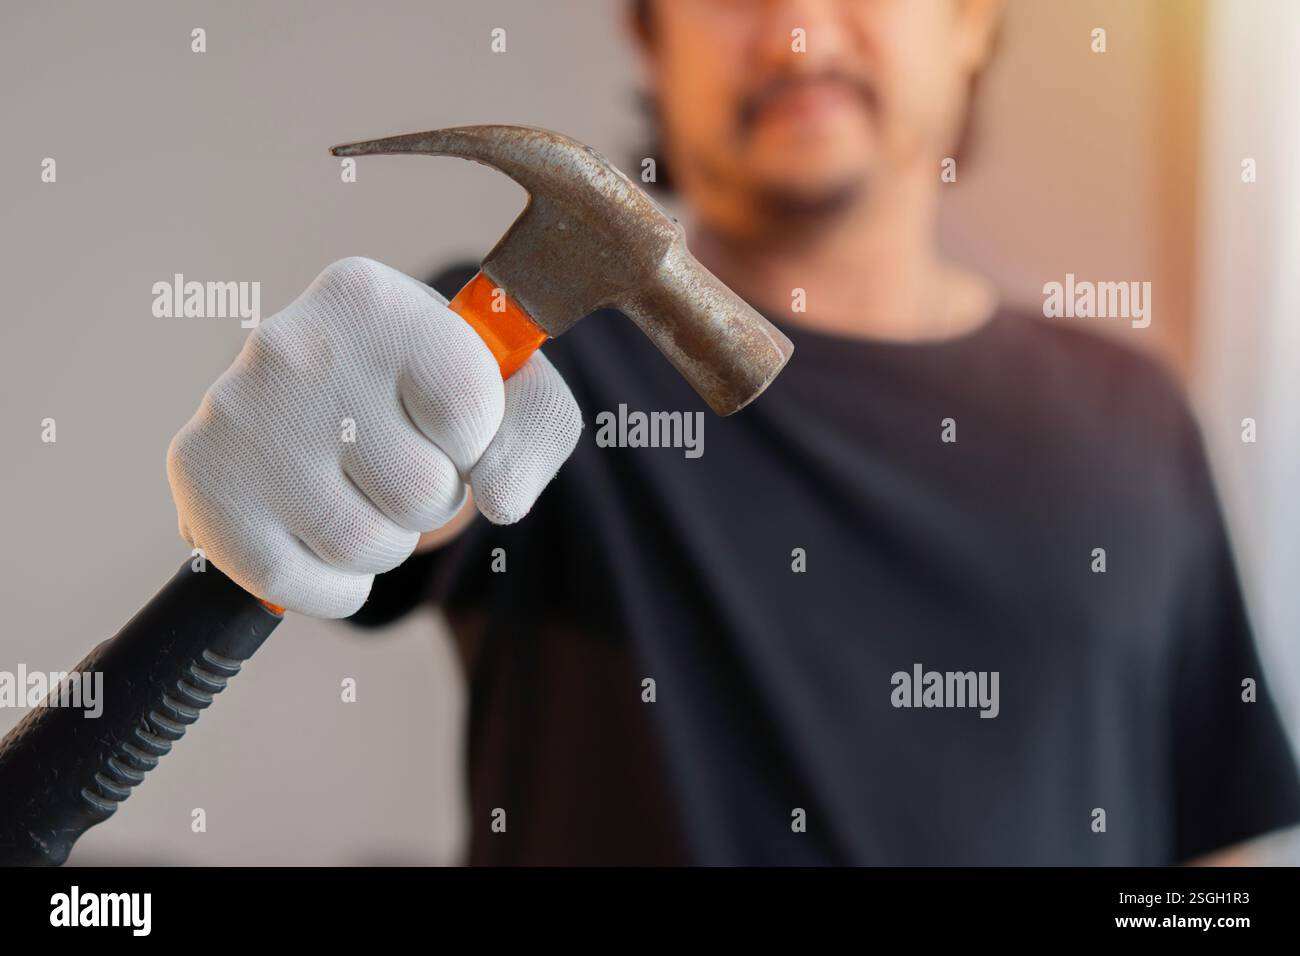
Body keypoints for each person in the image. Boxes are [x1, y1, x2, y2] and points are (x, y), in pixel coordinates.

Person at [167, 0, 1300, 864]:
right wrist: (318, 441)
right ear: (653, 43)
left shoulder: (1134, 417)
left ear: (970, 23)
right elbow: (410, 458)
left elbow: (1214, 839)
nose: (797, 32)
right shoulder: (521, 353)